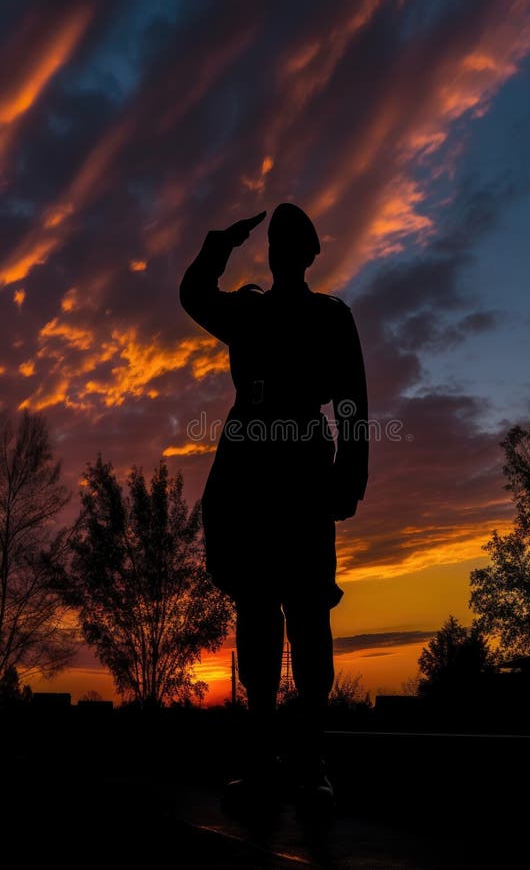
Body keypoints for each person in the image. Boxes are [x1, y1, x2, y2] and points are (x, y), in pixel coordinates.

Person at [179, 202, 368, 816]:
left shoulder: (329, 318)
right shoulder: (252, 311)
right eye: (276, 244)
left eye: (292, 243)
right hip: (254, 478)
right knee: (259, 615)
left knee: (310, 614)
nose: (283, 253)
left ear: (308, 254)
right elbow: (193, 294)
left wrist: (348, 477)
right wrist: (218, 243)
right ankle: (264, 761)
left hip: (303, 478)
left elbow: (351, 407)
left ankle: (312, 763)